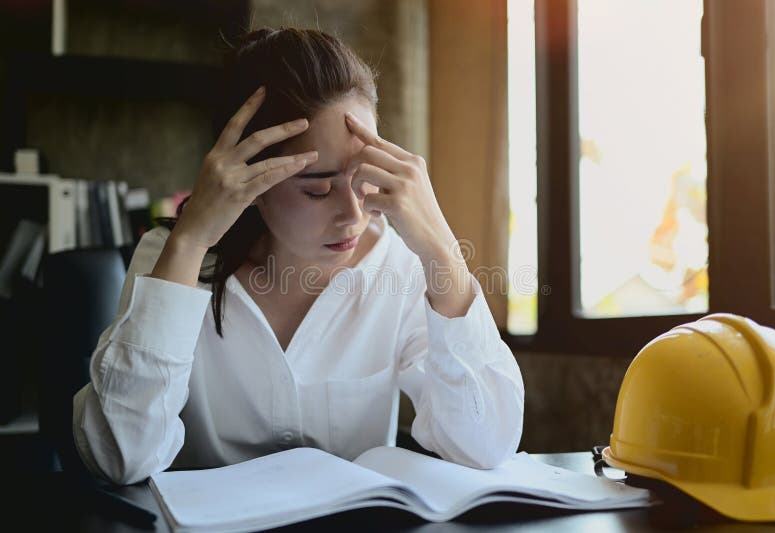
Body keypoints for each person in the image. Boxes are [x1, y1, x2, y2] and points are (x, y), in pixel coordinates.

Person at [72, 27, 525, 485]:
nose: (352, 214)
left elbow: (484, 447)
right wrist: (189, 244)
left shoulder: (399, 267)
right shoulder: (171, 258)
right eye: (318, 189)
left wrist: (442, 250)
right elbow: (120, 457)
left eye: (365, 177)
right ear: (250, 180)